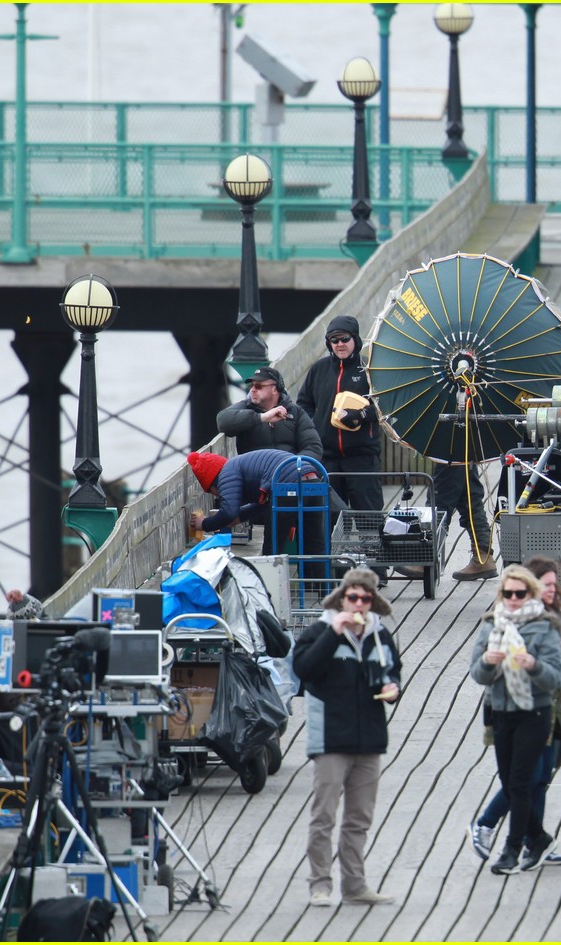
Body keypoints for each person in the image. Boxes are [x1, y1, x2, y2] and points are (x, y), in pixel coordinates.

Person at [292, 568, 401, 907]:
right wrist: (334, 633)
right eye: (352, 597)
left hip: (369, 738)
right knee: (323, 815)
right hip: (329, 738)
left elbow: (393, 672)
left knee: (359, 818)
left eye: (365, 598)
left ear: (372, 602)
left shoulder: (380, 635)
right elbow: (304, 670)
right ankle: (319, 885)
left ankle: (355, 886)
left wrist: (393, 688)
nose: (358, 604)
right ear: (341, 599)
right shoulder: (319, 630)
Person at [467, 556, 561, 868]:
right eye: (508, 594)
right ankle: (538, 837)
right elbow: (478, 675)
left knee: (524, 780)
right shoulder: (491, 625)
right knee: (514, 782)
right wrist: (488, 661)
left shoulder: (545, 626)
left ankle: (510, 850)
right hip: (500, 711)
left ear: (530, 594)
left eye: (520, 594)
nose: (513, 600)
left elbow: (554, 677)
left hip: (535, 712)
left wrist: (533, 664)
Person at [296, 315, 383, 514]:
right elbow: (303, 403)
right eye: (334, 340)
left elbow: (385, 406)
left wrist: (361, 414)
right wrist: (315, 426)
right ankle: (331, 547)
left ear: (355, 340)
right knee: (328, 517)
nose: (340, 344)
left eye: (345, 339)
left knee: (368, 515)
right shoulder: (318, 369)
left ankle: (368, 546)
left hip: (362, 457)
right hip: (327, 457)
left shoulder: (369, 369)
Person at [186, 448, 329, 566]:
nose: (217, 496)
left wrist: (204, 523)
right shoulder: (239, 465)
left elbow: (228, 512)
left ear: (213, 483)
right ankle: (320, 591)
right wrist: (240, 517)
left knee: (273, 548)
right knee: (314, 543)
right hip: (312, 478)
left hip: (288, 485)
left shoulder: (226, 473)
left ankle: (270, 594)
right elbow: (265, 503)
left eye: (211, 491)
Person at [216, 366, 322, 461]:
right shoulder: (245, 407)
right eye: (251, 386)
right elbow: (222, 421)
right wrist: (261, 418)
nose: (252, 390)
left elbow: (313, 447)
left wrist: (293, 466)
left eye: (258, 386)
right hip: (255, 476)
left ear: (275, 389)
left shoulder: (296, 412)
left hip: (290, 475)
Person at [434, 462, 498, 581]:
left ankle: (428, 555)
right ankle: (483, 556)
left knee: (440, 497)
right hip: (465, 449)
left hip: (451, 451)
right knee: (469, 497)